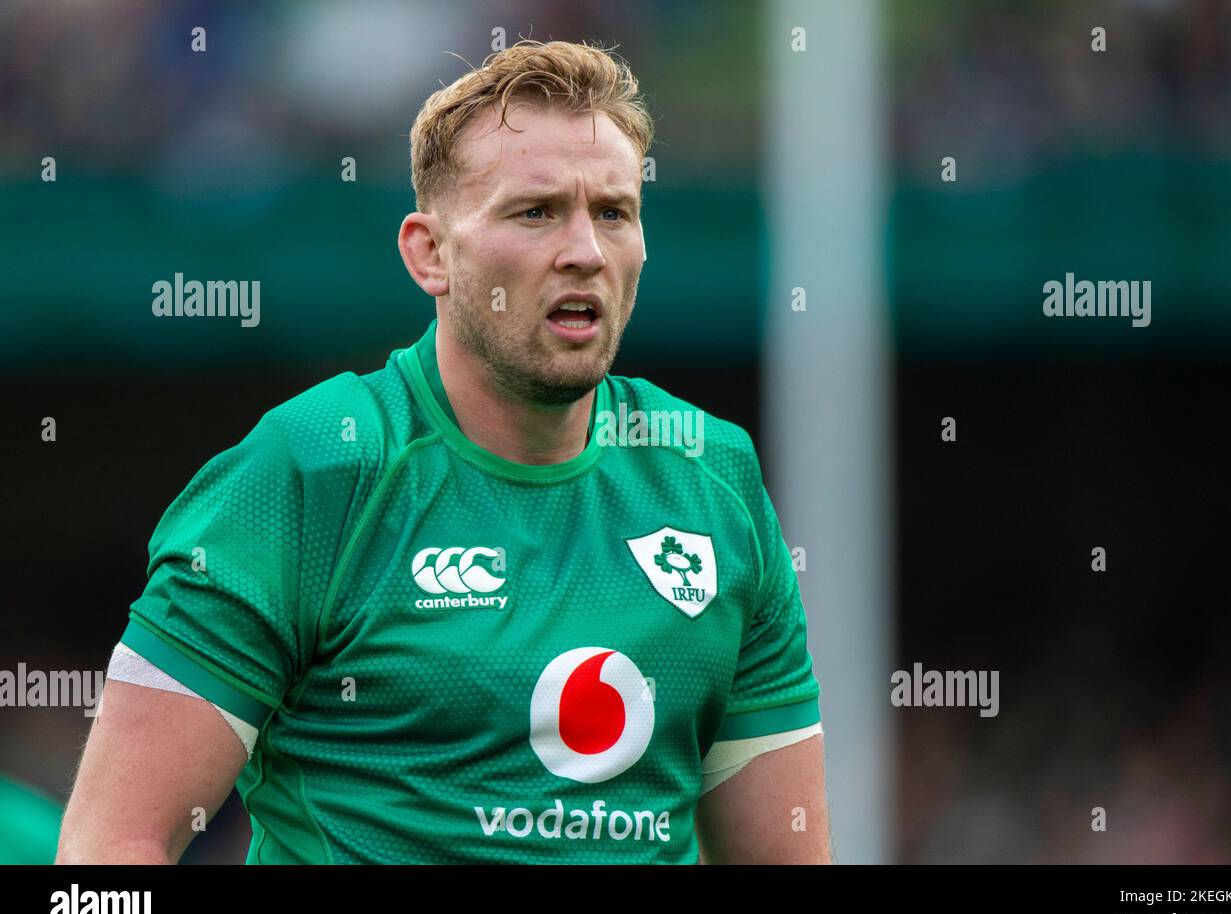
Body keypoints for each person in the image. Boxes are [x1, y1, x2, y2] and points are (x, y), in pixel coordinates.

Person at [57, 39, 828, 864]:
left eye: (613, 212)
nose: (585, 252)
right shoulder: (310, 471)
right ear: (430, 253)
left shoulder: (713, 477)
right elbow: (110, 853)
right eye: (535, 212)